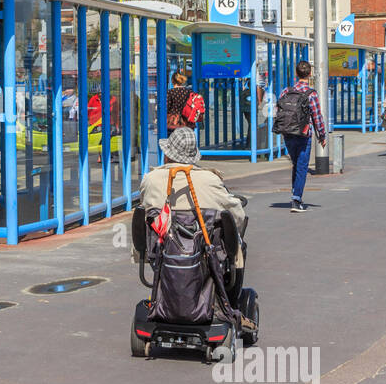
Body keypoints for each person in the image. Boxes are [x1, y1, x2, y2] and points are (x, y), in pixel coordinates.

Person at [140, 127, 247, 265]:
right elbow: (237, 215)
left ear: (167, 154)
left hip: (162, 249)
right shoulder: (210, 180)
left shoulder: (151, 179)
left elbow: (144, 211)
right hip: (204, 250)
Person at [273, 59, 326, 213]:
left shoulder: (286, 91)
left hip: (288, 133)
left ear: (296, 74)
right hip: (303, 134)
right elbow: (317, 116)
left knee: (296, 164)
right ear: (309, 74)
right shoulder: (311, 93)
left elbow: (279, 111)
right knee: (302, 166)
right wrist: (321, 136)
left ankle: (295, 193)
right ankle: (296, 200)